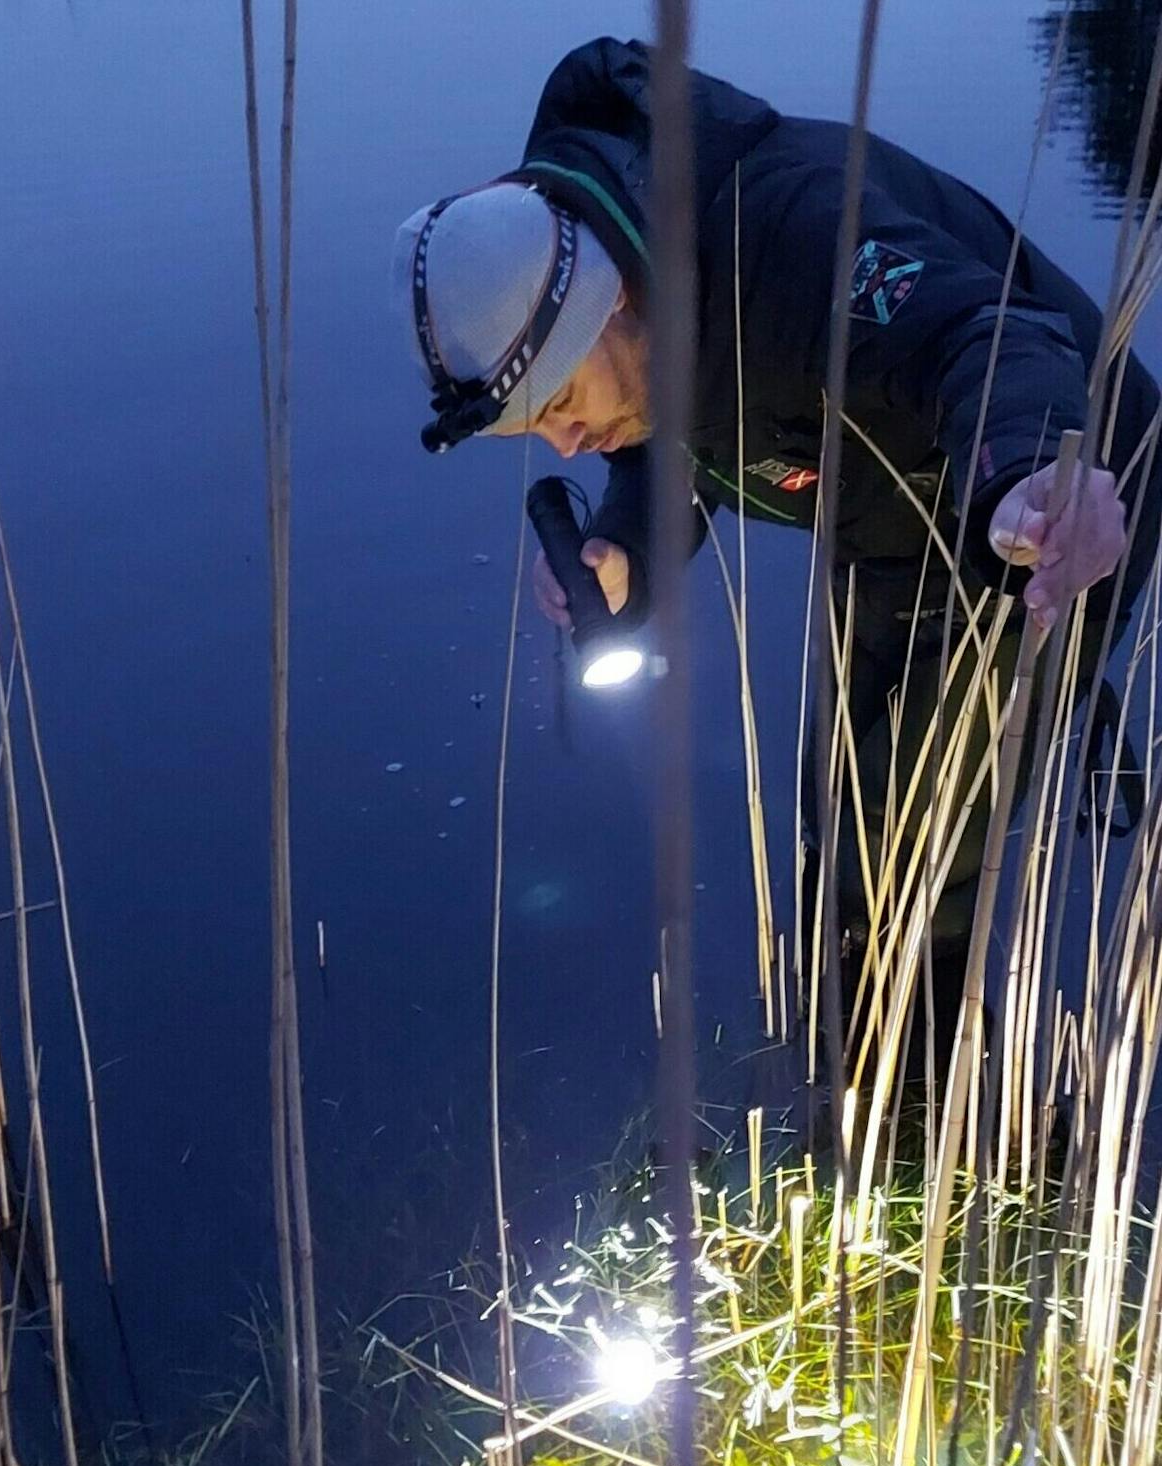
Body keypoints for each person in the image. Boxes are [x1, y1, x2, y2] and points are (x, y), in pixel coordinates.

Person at [391, 36, 1160, 1034]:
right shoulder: (642, 291)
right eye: (537, 428)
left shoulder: (801, 237)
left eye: (563, 405)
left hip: (1045, 506)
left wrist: (1028, 475)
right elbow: (677, 432)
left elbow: (985, 338)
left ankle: (922, 1091)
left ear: (612, 306)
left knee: (916, 848)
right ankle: (854, 1058)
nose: (567, 444)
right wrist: (627, 547)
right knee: (837, 821)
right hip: (881, 525)